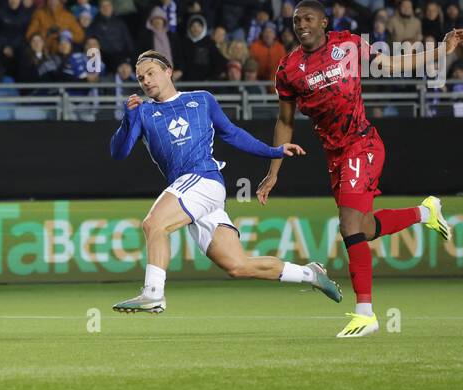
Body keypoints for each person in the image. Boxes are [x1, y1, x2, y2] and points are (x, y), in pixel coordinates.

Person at [258, 0, 463, 338]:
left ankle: (366, 313)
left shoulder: (348, 45)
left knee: (348, 224)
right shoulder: (288, 69)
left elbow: (393, 64)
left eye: (308, 18)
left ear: (325, 22)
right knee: (363, 228)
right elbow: (284, 121)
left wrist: (440, 51)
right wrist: (274, 170)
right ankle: (425, 213)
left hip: (362, 143)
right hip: (335, 155)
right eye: (296, 21)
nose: (301, 24)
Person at [109, 49, 339, 314]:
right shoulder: (143, 113)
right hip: (194, 192)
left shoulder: (201, 100)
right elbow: (119, 153)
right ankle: (310, 274)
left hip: (204, 179)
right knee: (237, 265)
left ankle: (153, 294)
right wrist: (128, 118)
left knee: (154, 224)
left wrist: (274, 151)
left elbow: (233, 134)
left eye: (151, 73)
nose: (146, 81)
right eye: (140, 78)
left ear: (168, 71)